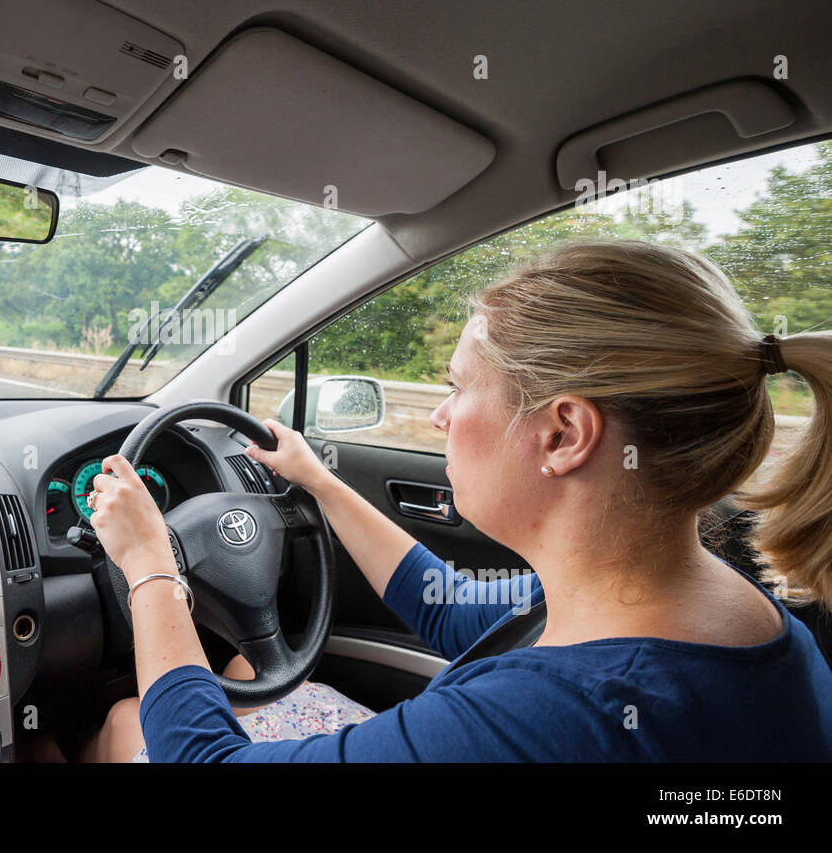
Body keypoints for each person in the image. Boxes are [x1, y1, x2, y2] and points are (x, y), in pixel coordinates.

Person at [79, 239, 832, 762]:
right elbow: (448, 608)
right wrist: (320, 479)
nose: (441, 415)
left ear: (564, 431)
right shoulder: (718, 608)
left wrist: (153, 566)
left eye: (457, 386)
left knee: (123, 722)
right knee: (247, 670)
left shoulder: (557, 718)